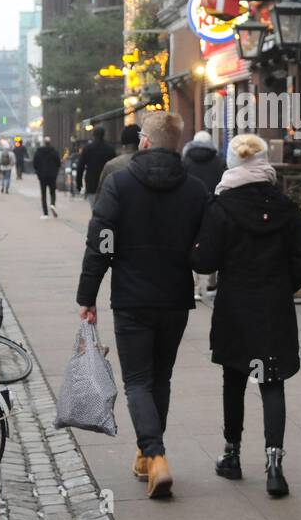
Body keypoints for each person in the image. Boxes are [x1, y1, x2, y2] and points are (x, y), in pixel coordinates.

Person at [76, 113, 208, 499]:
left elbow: (101, 241)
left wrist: (88, 295)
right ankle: (145, 454)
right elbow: (206, 249)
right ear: (176, 144)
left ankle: (156, 454)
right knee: (160, 379)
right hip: (175, 298)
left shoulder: (120, 183)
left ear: (145, 142)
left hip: (132, 298)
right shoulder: (196, 190)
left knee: (137, 381)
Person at [190, 134, 301, 497]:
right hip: (273, 306)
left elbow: (204, 261)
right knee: (272, 381)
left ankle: (232, 455)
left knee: (234, 379)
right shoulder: (286, 207)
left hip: (235, 306)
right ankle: (275, 465)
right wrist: (280, 287)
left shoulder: (222, 206)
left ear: (232, 162)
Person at [182, 131, 226, 298]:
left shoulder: (186, 161)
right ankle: (211, 283)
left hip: (190, 206)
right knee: (214, 242)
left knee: (191, 243)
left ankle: (195, 288)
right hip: (213, 206)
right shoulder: (219, 161)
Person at [75, 127, 115, 209]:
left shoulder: (88, 149)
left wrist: (79, 183)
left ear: (93, 135)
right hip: (106, 183)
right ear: (104, 135)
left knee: (94, 208)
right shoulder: (110, 149)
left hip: (91, 183)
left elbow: (80, 166)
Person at [97, 123, 142, 192]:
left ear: (123, 142)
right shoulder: (151, 163)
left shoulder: (111, 165)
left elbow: (101, 193)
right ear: (141, 140)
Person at [33, 136, 61, 219]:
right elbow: (58, 163)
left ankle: (45, 213)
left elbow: (35, 164)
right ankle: (52, 204)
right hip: (52, 176)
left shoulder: (38, 152)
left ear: (44, 143)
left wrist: (38, 173)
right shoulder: (54, 152)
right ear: (50, 142)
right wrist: (55, 172)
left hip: (42, 176)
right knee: (52, 192)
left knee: (43, 194)